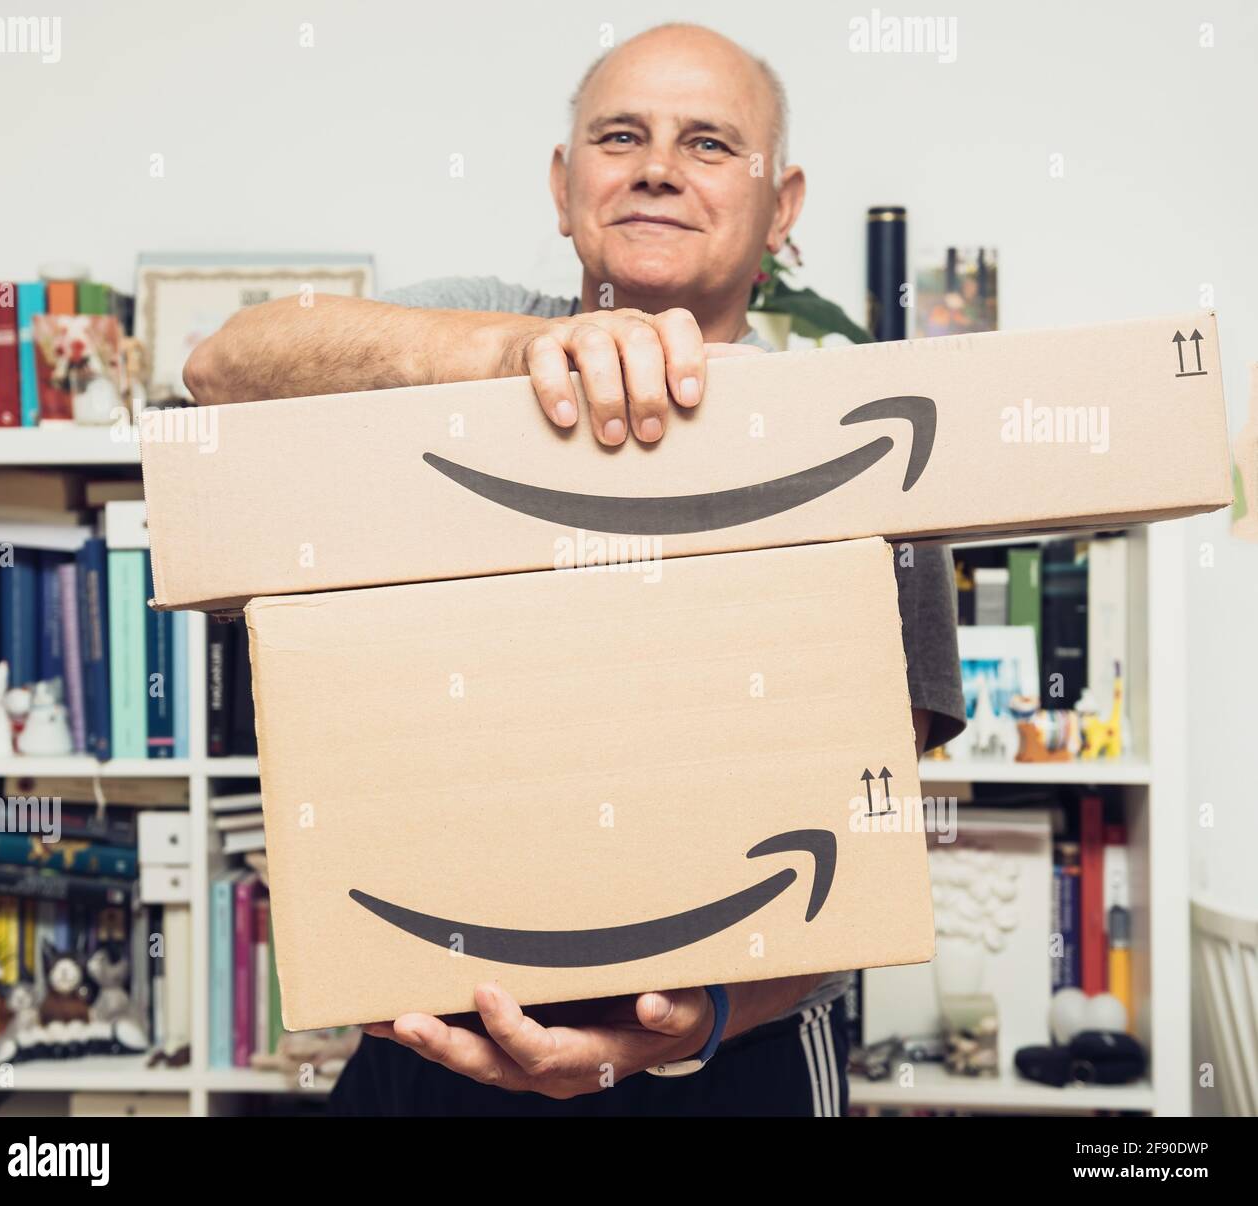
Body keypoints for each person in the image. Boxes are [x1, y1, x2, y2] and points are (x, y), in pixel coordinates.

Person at [184, 22, 966, 1117]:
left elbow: (870, 848)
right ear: (564, 187)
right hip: (428, 1051)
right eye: (619, 135)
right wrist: (498, 362)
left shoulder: (866, 447)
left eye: (707, 143)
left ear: (780, 206)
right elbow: (221, 367)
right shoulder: (462, 336)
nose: (655, 165)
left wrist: (701, 1025)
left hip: (724, 1069)